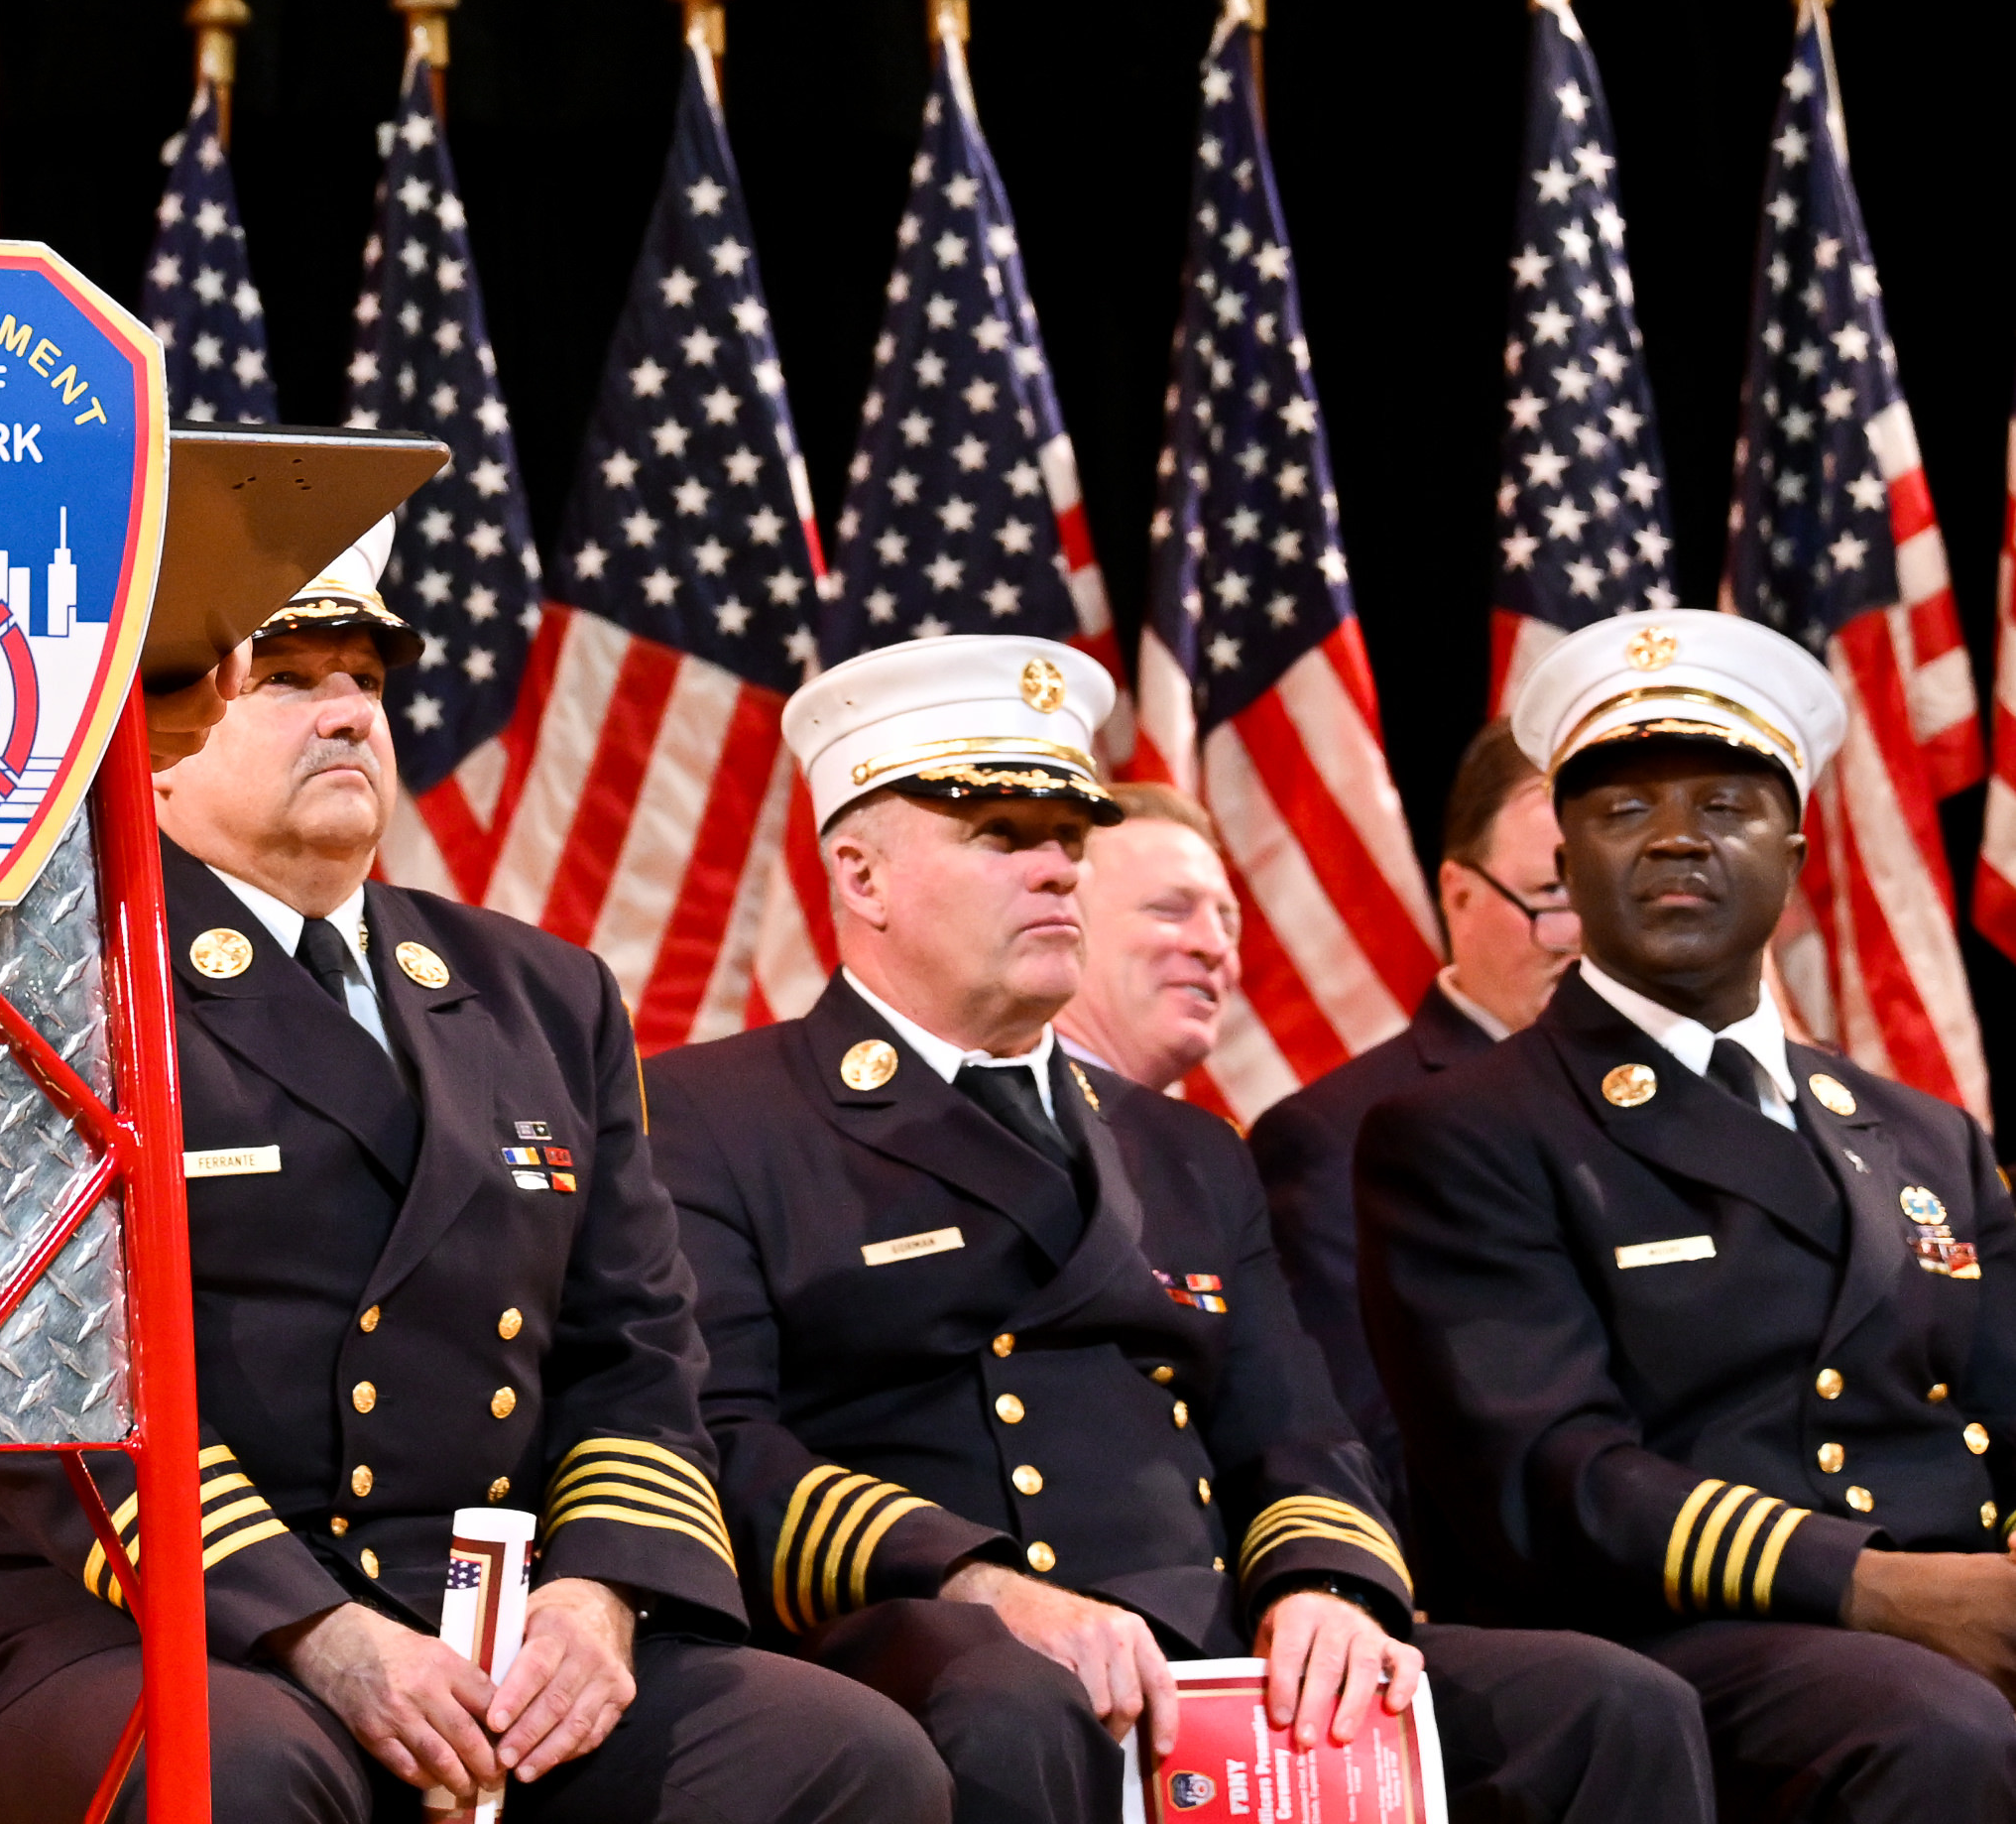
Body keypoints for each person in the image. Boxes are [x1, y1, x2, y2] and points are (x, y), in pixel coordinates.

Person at [0, 531, 949, 1822]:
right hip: (140, 1608)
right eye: (287, 676)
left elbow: (632, 1347)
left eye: (365, 676)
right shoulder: (48, 981)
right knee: (242, 1774)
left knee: (847, 1757)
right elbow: (38, 1387)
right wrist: (317, 1628)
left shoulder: (544, 992)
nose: (349, 711)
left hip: (483, 1615)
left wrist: (597, 1597)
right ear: (151, 737)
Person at [646, 633, 1710, 1824]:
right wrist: (980, 1584)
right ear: (861, 876)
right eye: (1000, 836)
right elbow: (719, 1442)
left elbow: (1295, 1434)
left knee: (1609, 1703)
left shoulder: (1185, 1146)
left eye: (1066, 838)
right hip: (928, 1638)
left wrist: (1324, 1586)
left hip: (1208, 1640)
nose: (1057, 871)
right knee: (1013, 1702)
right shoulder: (712, 1112)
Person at [1359, 609, 2016, 1817]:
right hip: (1670, 1636)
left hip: (1953, 1596)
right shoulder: (1466, 1133)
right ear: (1565, 851)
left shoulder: (1925, 1134)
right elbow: (1550, 1477)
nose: (1674, 841)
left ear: (1795, 846)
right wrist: (1883, 1591)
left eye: (1723, 807)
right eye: (1622, 812)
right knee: (1935, 1728)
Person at [1249, 722, 1571, 1513]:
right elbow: (1370, 1438)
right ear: (1458, 893)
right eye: (1554, 897)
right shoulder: (1336, 1135)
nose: (1588, 937)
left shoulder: (1690, 1109)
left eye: (1609, 894)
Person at [1052, 782, 1238, 1094]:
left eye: (1228, 926)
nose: (1215, 946)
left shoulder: (1207, 1140)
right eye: (1170, 910)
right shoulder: (979, 1124)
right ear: (1060, 922)